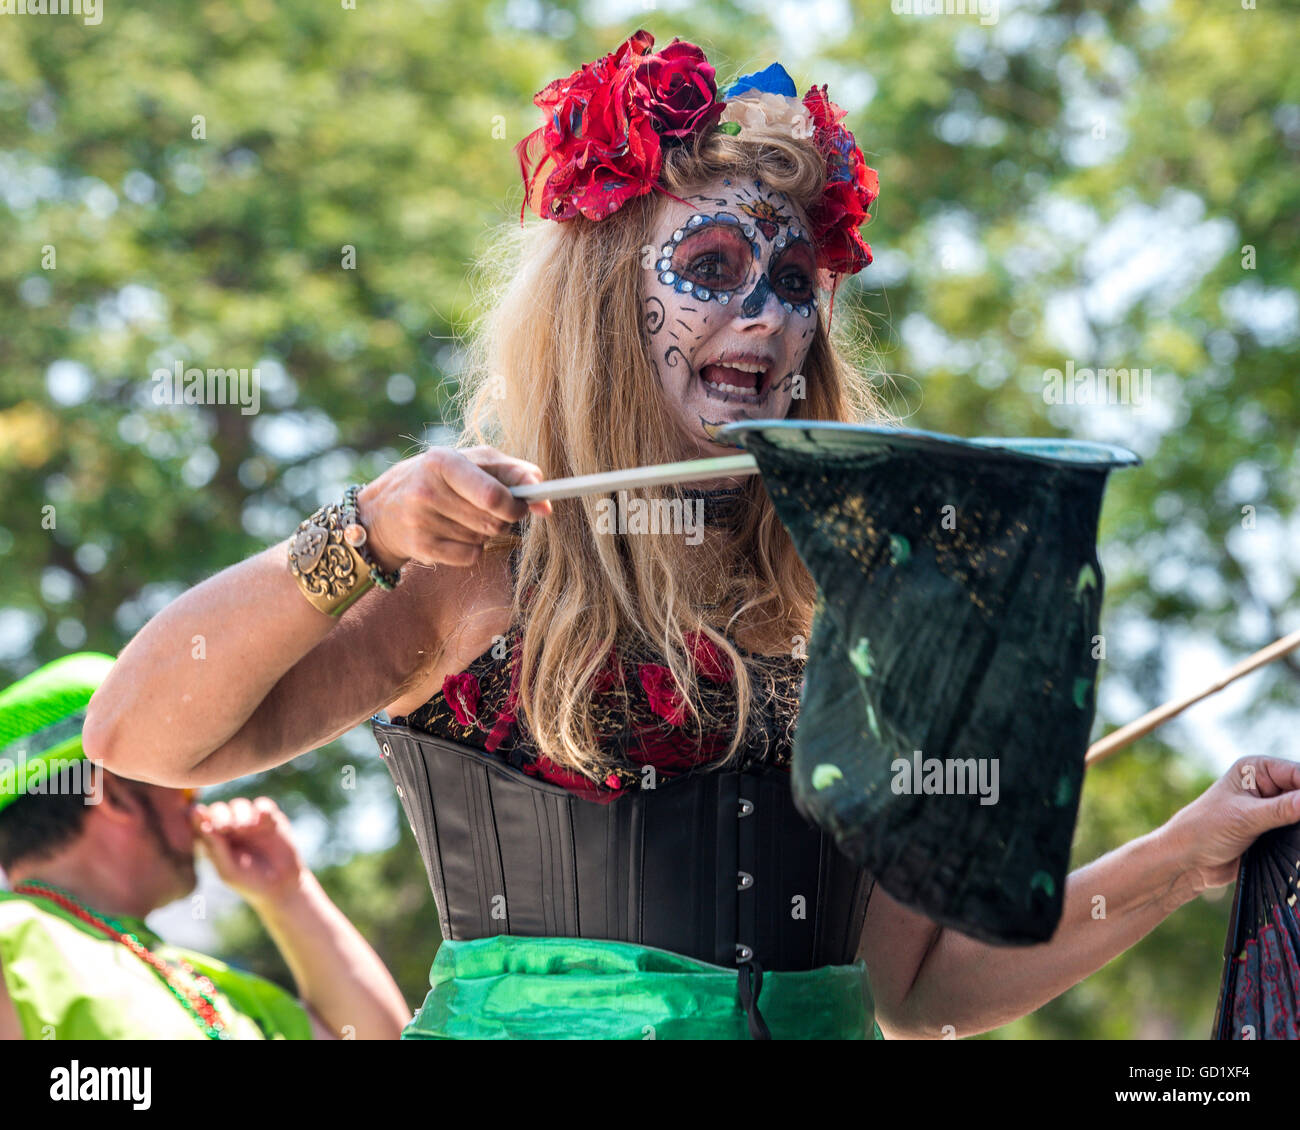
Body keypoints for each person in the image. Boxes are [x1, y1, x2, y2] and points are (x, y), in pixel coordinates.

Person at [85, 31, 1300, 1039]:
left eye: (791, 286)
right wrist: (360, 530)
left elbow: (918, 990)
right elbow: (143, 734)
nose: (765, 320)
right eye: (713, 268)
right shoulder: (477, 568)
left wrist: (1186, 852)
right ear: (609, 304)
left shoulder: (856, 600)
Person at [0, 652, 410, 1040]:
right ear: (116, 797)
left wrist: (288, 893)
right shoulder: (11, 940)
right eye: (183, 780)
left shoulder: (195, 978)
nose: (198, 798)